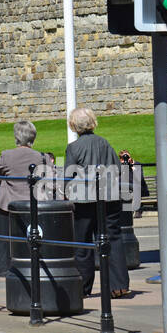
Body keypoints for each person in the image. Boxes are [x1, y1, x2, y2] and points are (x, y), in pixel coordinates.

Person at [64, 107, 131, 300]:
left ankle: (83, 287)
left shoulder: (74, 147)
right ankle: (118, 286)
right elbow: (117, 169)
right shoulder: (105, 143)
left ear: (74, 126)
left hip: (84, 200)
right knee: (113, 239)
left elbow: (69, 175)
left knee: (82, 243)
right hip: (109, 197)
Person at [0, 120, 54, 208]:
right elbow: (53, 182)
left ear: (16, 137)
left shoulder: (6, 155)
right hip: (38, 206)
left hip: (11, 207)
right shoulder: (44, 157)